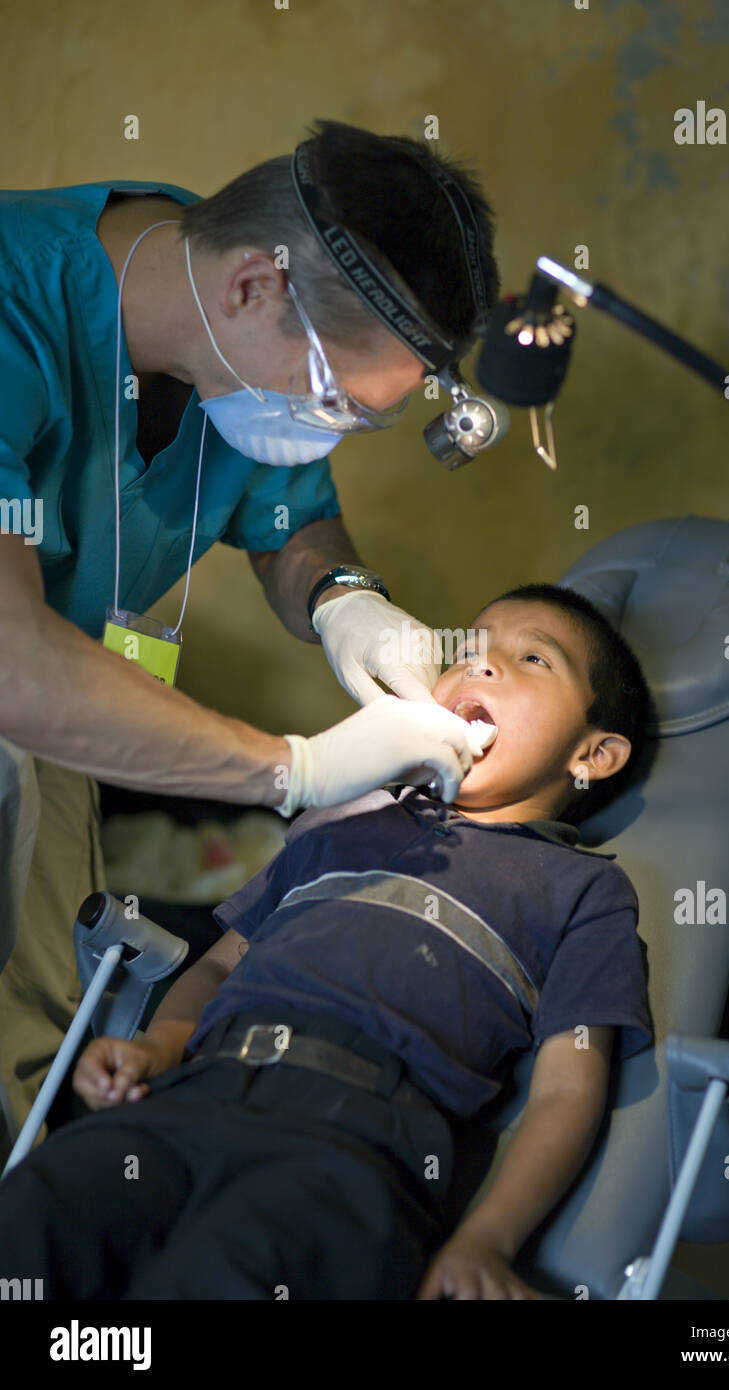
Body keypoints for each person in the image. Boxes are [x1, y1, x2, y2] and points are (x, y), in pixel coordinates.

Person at [0, 118, 502, 1155]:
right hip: (21, 692)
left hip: (46, 716)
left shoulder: (234, 337)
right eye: (329, 401)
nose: (326, 433)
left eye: (357, 420)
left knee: (37, 1055)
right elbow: (13, 663)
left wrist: (345, 599)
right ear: (249, 289)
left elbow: (292, 519)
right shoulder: (18, 309)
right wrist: (296, 767)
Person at [0, 584, 654, 1299]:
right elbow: (221, 965)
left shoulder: (581, 890)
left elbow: (567, 1088)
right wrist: (159, 1047)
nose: (482, 664)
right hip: (185, 1097)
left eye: (532, 657)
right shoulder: (343, 819)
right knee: (34, 1218)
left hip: (353, 1153)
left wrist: (486, 1241)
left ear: (595, 753)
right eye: (467, 649)